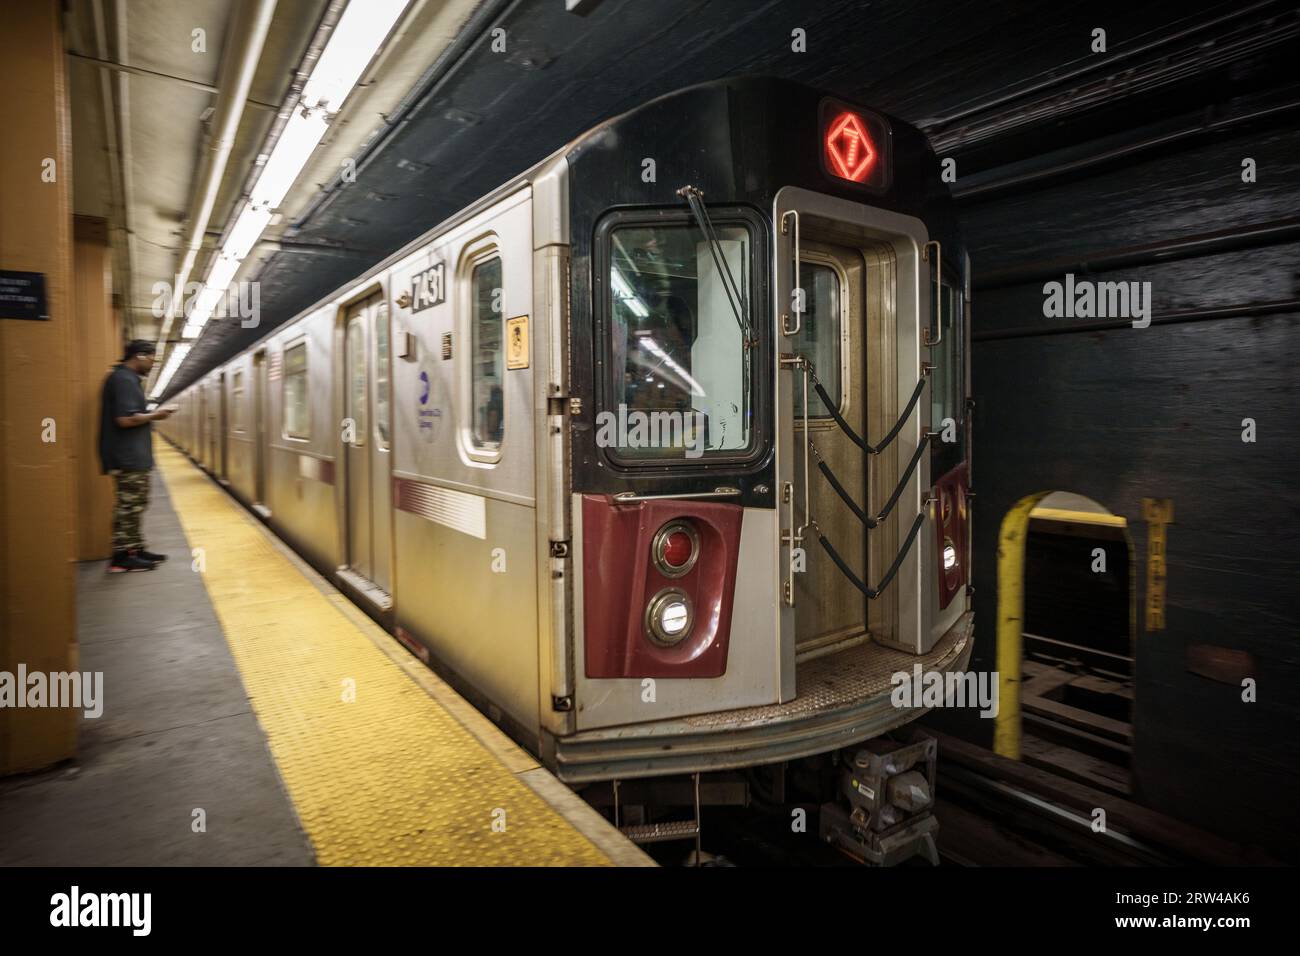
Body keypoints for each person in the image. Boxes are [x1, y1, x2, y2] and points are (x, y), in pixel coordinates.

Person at [99, 340, 173, 573]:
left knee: (137, 503)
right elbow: (124, 419)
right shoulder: (124, 379)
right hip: (127, 457)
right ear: (140, 356)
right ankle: (121, 556)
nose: (152, 364)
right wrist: (156, 416)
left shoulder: (126, 379)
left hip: (132, 456)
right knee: (129, 505)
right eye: (152, 358)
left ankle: (135, 548)